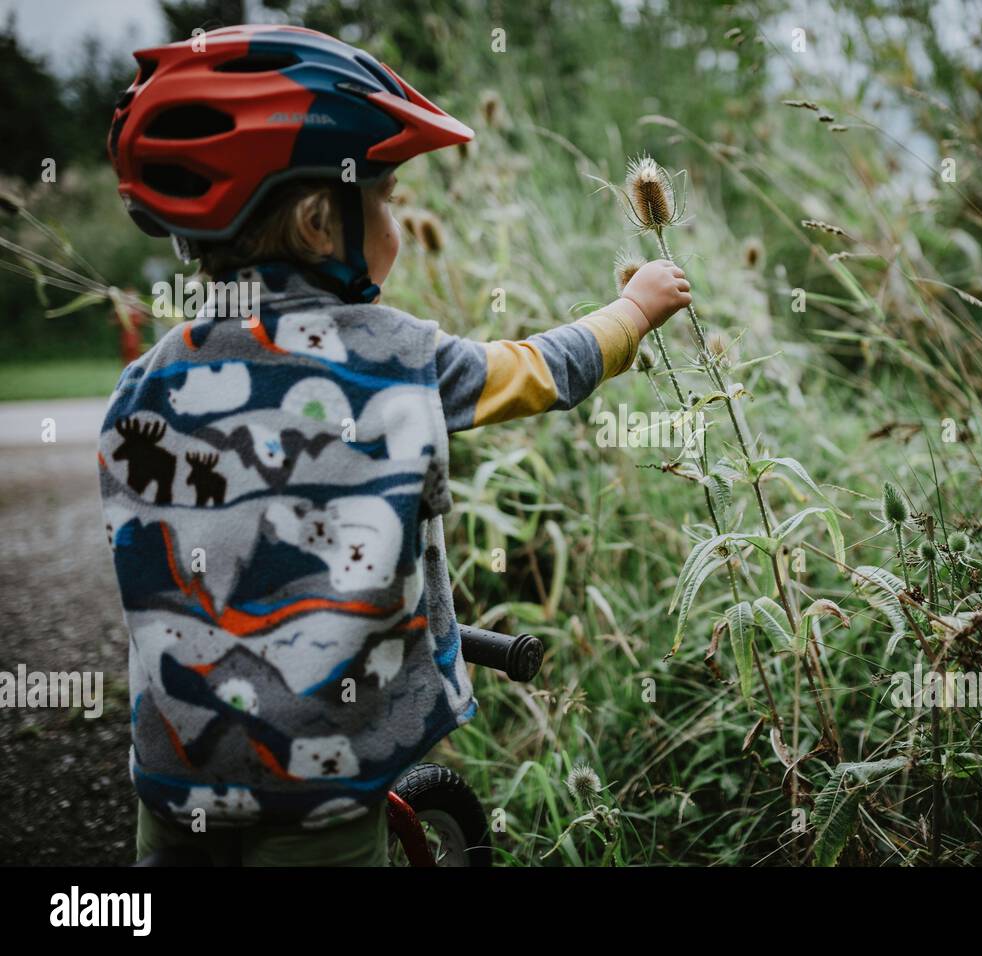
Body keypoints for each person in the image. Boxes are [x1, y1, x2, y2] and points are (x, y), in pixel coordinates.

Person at [98, 24, 689, 865]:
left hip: (170, 784)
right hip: (323, 795)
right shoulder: (394, 356)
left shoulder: (142, 386)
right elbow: (538, 371)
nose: (400, 222)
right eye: (386, 199)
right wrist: (635, 313)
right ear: (317, 220)